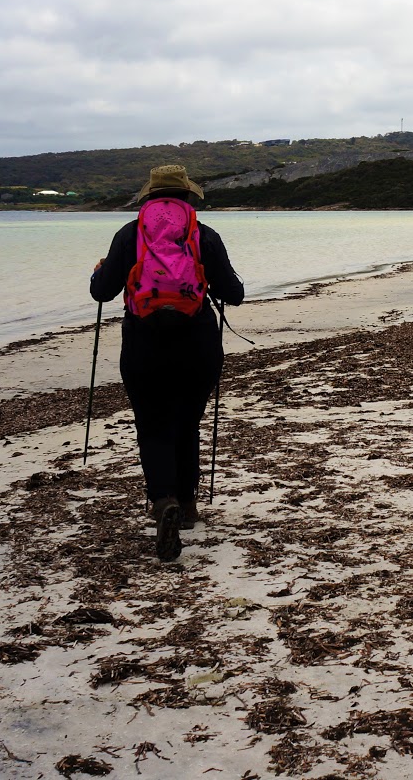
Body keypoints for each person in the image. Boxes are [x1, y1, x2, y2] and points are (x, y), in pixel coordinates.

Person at [90, 164, 244, 561]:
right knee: (187, 422)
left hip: (144, 342)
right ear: (189, 196)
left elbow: (102, 294)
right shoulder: (204, 235)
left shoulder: (129, 234)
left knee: (153, 424)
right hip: (197, 341)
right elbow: (234, 293)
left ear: (149, 197)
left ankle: (162, 500)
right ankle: (188, 506)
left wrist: (99, 273)